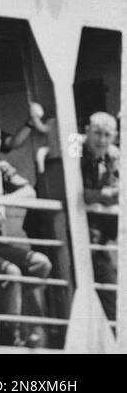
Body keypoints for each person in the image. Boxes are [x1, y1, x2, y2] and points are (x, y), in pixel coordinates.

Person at [0, 119, 52, 347]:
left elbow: (29, 191)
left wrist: (0, 200)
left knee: (40, 264)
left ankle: (30, 329)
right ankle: (9, 339)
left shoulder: (0, 167)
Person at [80, 111, 119, 318]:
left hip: (103, 223)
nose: (102, 140)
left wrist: (102, 196)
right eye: (97, 133)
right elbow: (78, 192)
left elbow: (120, 194)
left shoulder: (114, 154)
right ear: (87, 131)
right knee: (104, 280)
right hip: (76, 225)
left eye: (107, 135)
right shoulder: (75, 145)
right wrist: (104, 195)